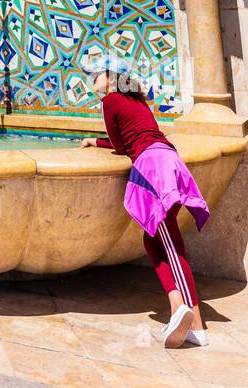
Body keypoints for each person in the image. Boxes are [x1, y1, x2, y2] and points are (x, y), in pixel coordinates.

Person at [81, 58, 210, 348]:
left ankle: (194, 322)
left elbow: (121, 147)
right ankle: (181, 310)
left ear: (111, 78)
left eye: (95, 75)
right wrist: (96, 142)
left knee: (170, 245)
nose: (92, 80)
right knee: (154, 240)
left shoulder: (111, 101)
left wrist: (97, 143)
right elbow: (130, 139)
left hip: (153, 167)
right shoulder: (136, 100)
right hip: (168, 160)